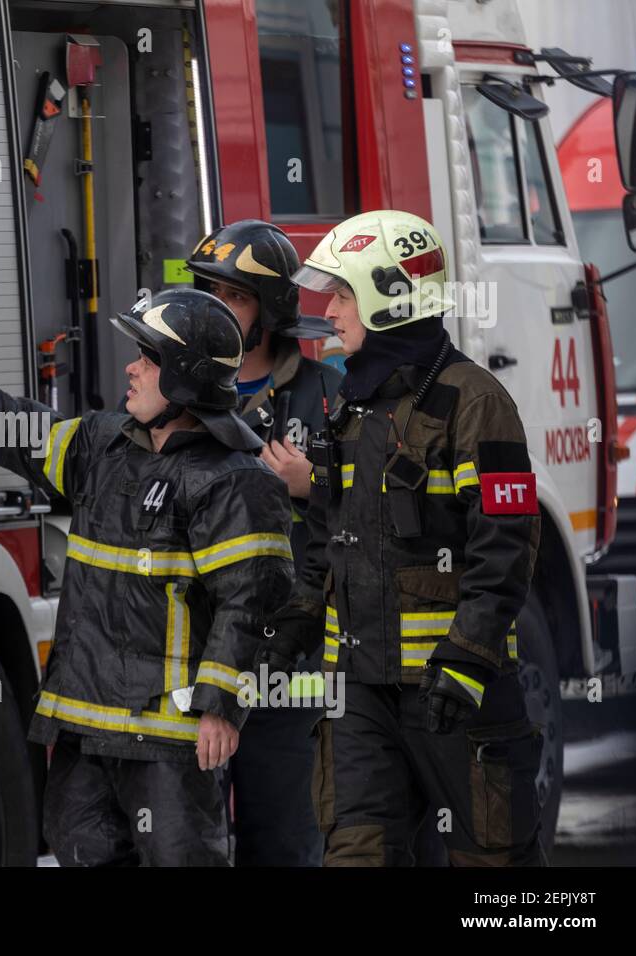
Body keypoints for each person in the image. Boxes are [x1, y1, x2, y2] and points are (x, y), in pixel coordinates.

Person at [0, 288, 294, 865]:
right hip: (84, 726)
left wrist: (221, 707)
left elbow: (251, 605)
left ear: (183, 378)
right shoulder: (104, 445)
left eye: (148, 358)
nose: (131, 367)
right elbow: (18, 432)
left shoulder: (235, 481)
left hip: (169, 741)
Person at [259, 209, 544, 866]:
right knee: (359, 855)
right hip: (358, 695)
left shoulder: (476, 403)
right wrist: (291, 627)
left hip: (453, 695)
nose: (328, 312)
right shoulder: (351, 404)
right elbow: (326, 535)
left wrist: (466, 660)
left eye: (342, 294)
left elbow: (507, 546)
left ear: (390, 296)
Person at [186, 219, 340, 866]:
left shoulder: (329, 398)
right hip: (191, 661)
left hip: (288, 668)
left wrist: (315, 486)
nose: (216, 308)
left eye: (236, 296)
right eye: (207, 291)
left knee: (281, 845)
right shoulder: (173, 394)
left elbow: (386, 514)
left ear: (272, 309)